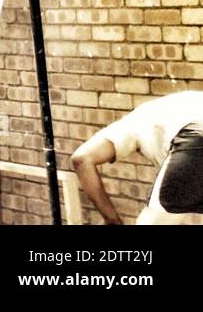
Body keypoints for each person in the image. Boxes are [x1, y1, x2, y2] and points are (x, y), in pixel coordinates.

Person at [70, 89, 203, 225]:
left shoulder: (133, 123)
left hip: (195, 136)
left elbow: (81, 159)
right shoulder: (171, 108)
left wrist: (111, 219)